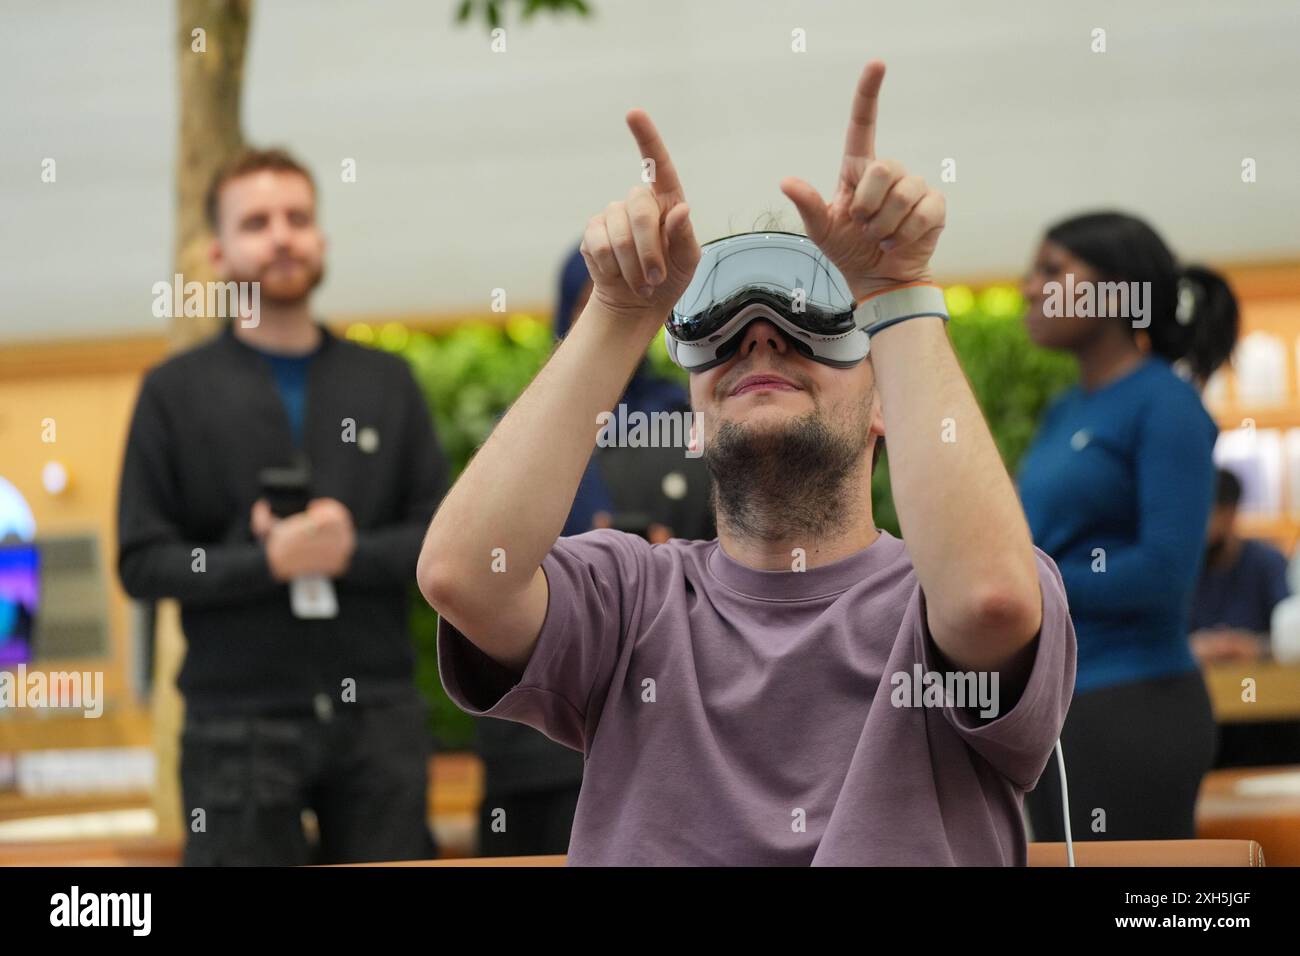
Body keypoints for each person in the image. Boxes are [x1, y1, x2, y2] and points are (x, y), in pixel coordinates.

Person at [419, 61, 1076, 865]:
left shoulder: (937, 596)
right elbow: (462, 577)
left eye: (813, 326)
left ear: (887, 406)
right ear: (691, 420)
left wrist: (897, 291)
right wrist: (620, 313)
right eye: (724, 336)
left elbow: (989, 604)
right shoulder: (632, 601)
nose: (762, 337)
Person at [117, 148, 447, 865]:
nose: (282, 236)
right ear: (218, 251)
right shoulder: (172, 393)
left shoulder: (387, 383)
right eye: (257, 222)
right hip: (235, 722)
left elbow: (442, 543)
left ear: (321, 239)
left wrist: (349, 553)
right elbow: (142, 560)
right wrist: (264, 561)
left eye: (298, 217)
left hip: (378, 716)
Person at [1017, 212, 1240, 842]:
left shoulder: (1165, 404)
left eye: (1052, 270)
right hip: (1056, 703)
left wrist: (1032, 586)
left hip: (1133, 700)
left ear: (1117, 290)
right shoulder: (1066, 409)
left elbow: (1164, 572)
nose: (1030, 287)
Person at [1190, 467, 1291, 663]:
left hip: (1261, 684)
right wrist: (1193, 647)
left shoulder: (1267, 564)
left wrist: (1255, 647)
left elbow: (1290, 637)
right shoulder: (1185, 568)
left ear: (1231, 513)